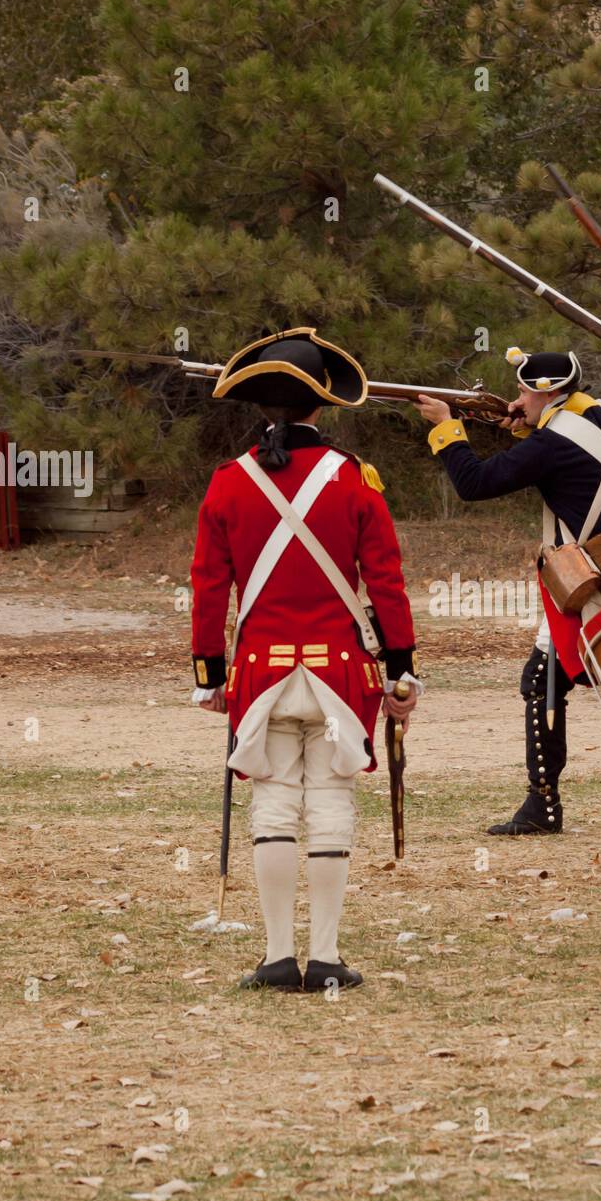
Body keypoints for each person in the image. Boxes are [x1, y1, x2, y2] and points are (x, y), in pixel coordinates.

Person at [190, 329, 419, 991]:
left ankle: (274, 957)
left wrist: (208, 673)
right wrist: (402, 671)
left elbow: (209, 584)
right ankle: (323, 957)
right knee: (329, 804)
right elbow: (386, 584)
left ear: (263, 405)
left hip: (260, 672)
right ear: (322, 406)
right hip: (338, 674)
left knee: (271, 806)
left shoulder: (229, 483)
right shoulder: (355, 479)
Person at [417, 347, 601, 836]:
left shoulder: (553, 441)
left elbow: (474, 482)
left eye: (526, 390)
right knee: (547, 682)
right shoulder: (600, 413)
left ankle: (547, 805)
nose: (518, 398)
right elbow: (569, 455)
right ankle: (542, 804)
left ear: (548, 392)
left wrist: (447, 426)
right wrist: (531, 422)